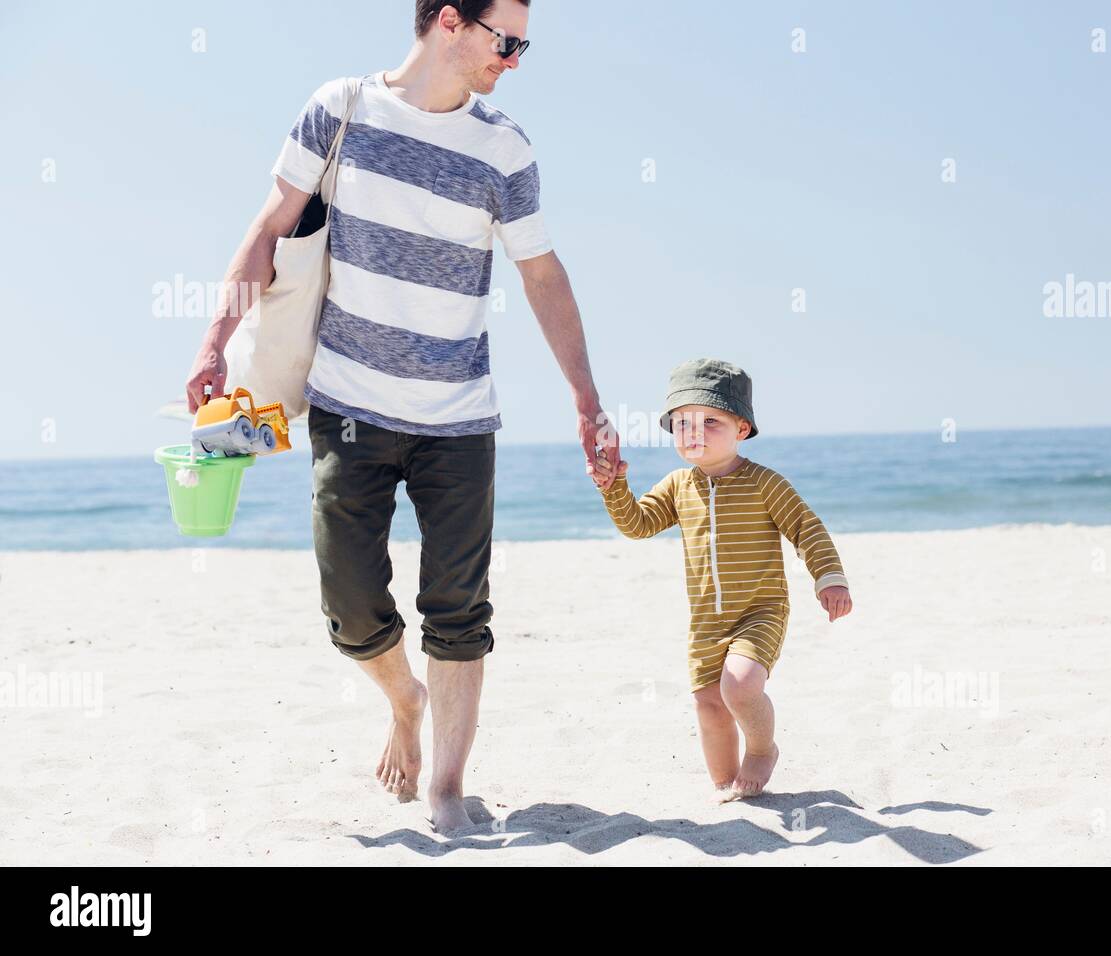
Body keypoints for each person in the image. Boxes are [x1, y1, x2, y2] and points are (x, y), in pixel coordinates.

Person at [185, 0, 621, 832]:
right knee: (350, 606)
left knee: (460, 610)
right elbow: (270, 228)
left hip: (460, 416)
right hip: (349, 406)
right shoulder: (341, 108)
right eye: (509, 39)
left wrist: (588, 399)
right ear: (450, 22)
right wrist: (214, 342)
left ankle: (448, 789)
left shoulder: (506, 147)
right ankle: (402, 697)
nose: (518, 57)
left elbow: (541, 275)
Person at [589, 359, 853, 800]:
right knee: (710, 705)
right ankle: (726, 787)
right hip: (705, 621)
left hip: (760, 610)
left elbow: (806, 528)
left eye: (710, 420)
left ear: (742, 428)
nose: (694, 431)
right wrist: (615, 485)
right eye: (682, 423)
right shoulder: (677, 485)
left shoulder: (765, 484)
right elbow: (637, 525)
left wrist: (829, 578)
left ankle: (762, 749)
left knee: (741, 684)